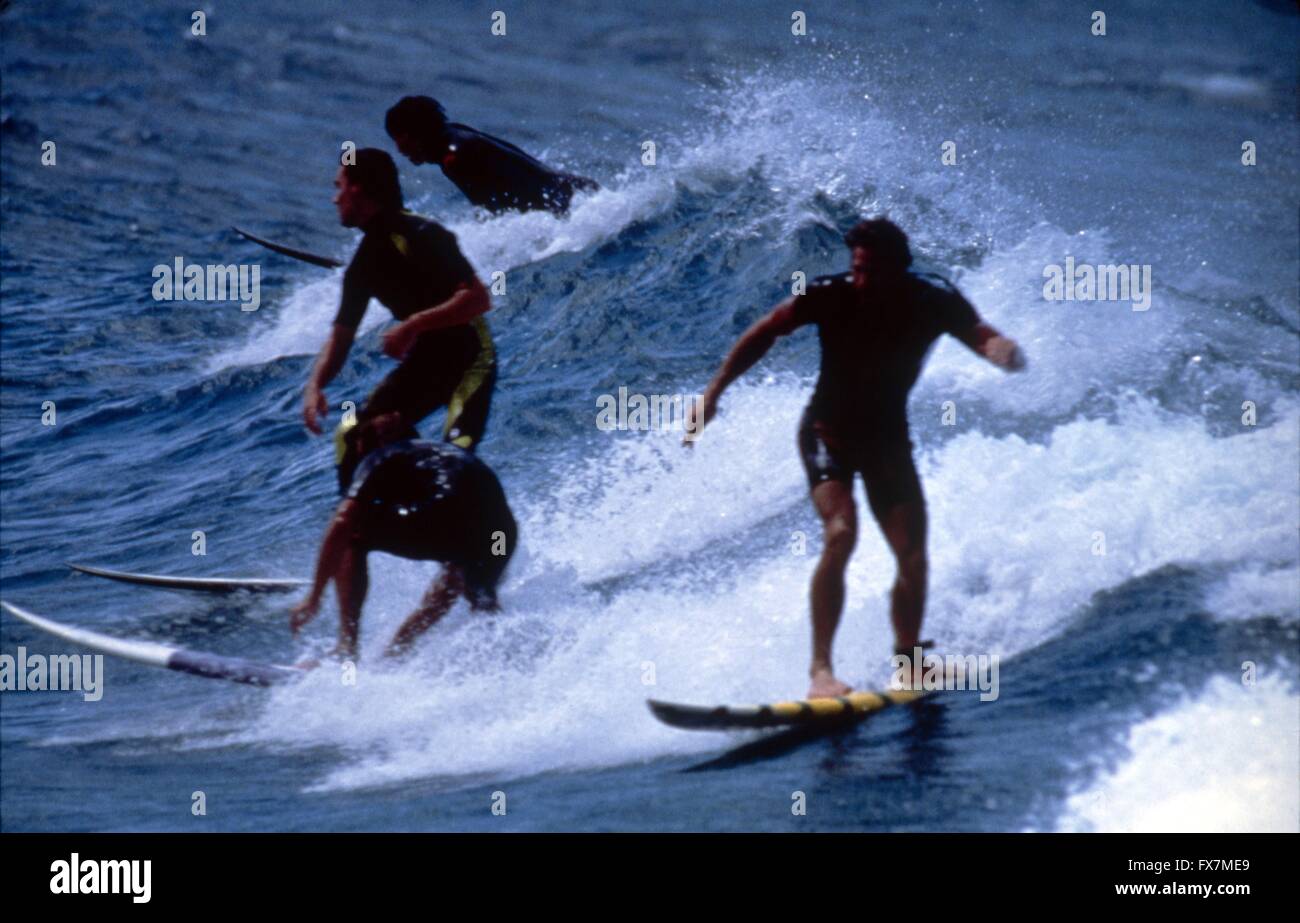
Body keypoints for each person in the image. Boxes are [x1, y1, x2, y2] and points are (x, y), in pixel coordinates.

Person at [686, 218, 1026, 699]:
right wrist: (714, 393)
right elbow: (764, 332)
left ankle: (910, 664)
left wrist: (1002, 351)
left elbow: (979, 334)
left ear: (898, 269)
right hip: (827, 433)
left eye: (870, 270)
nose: (860, 278)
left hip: (888, 440)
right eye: (856, 267)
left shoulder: (932, 301)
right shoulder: (832, 294)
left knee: (912, 555)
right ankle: (820, 672)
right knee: (841, 533)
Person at [302, 148, 497, 491]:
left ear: (358, 190)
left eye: (339, 187)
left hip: (471, 359)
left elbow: (478, 299)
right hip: (427, 363)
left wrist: (412, 325)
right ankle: (363, 527)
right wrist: (315, 385)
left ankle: (462, 525)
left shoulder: (423, 234)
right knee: (352, 435)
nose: (334, 199)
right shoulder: (362, 266)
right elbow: (340, 337)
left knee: (457, 456)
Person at [290, 412, 518, 659]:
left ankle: (347, 648)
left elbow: (342, 521)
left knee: (353, 537)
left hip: (455, 523)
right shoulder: (442, 454)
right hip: (501, 536)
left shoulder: (382, 456)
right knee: (475, 591)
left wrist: (313, 598)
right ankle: (500, 659)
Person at [385, 95, 598, 215]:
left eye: (399, 137)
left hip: (568, 203)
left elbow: (496, 210)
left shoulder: (455, 157)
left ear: (416, 132)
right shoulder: (453, 135)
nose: (398, 149)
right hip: (574, 191)